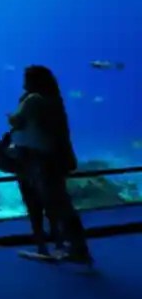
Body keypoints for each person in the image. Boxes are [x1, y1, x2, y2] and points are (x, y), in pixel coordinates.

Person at [8, 64, 91, 264]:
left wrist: (12, 114)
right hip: (52, 157)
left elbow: (16, 121)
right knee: (60, 204)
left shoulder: (33, 99)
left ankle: (65, 248)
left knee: (49, 203)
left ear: (34, 80)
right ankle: (73, 246)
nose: (23, 81)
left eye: (27, 77)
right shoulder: (54, 100)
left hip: (37, 159)